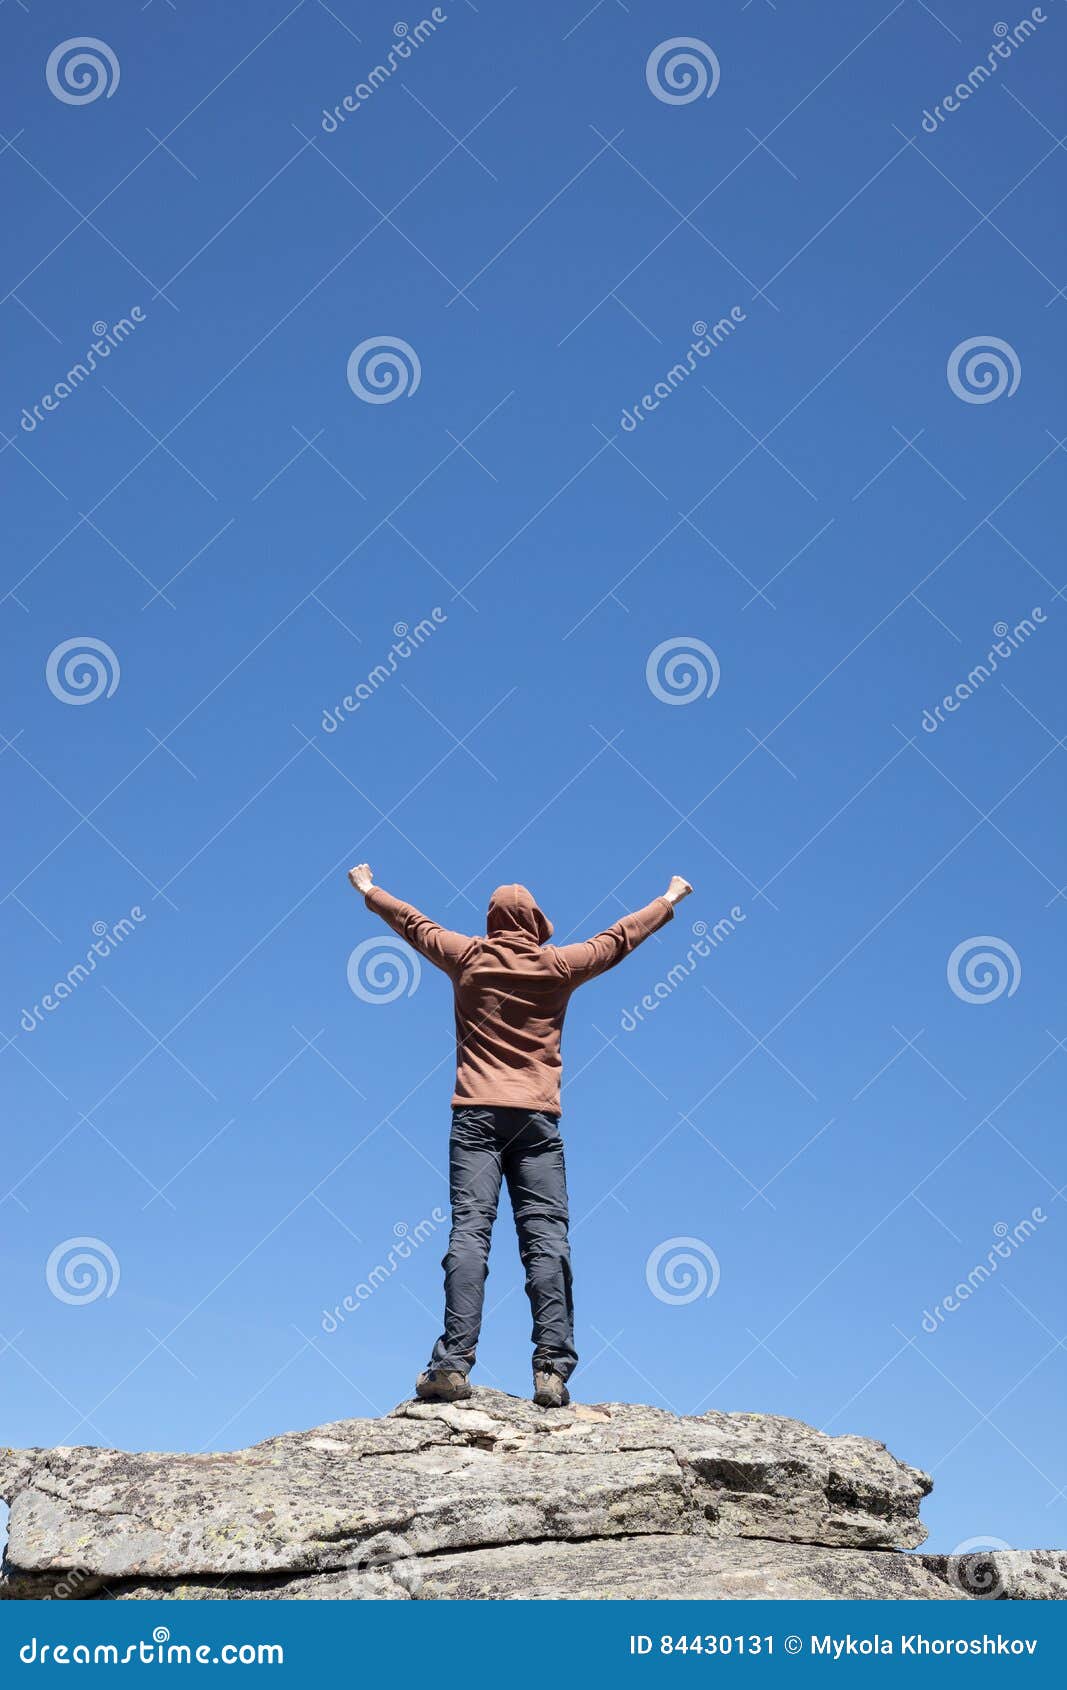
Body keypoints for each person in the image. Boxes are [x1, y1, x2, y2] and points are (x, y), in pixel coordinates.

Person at [347, 865, 693, 1407]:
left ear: (492, 922)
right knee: (546, 1240)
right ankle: (551, 1371)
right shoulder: (557, 965)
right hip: (535, 1124)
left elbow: (412, 924)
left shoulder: (466, 956)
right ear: (535, 924)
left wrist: (370, 891)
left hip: (475, 1118)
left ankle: (452, 1365)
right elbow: (619, 938)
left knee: (469, 1235)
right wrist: (668, 898)